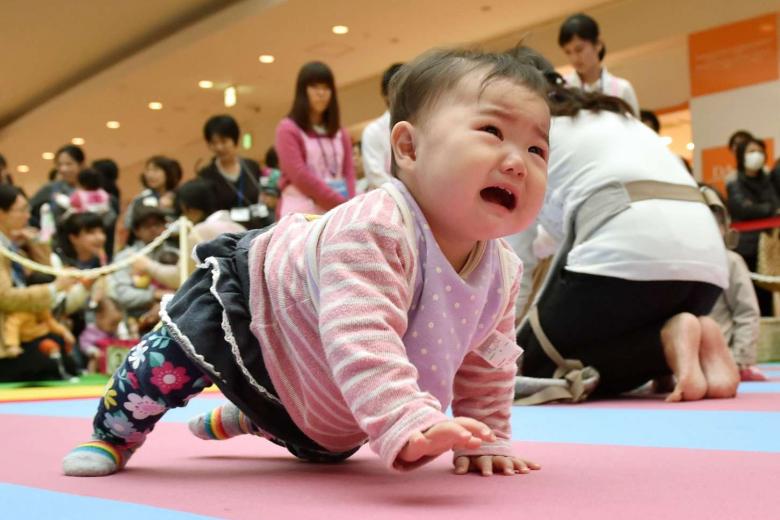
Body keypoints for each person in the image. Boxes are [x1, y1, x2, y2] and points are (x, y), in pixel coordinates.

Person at [62, 47, 551, 478]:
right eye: (491, 131)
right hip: (256, 306)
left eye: (536, 149)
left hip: (323, 387)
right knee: (169, 362)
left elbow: (487, 363)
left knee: (332, 441)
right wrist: (409, 417)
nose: (517, 162)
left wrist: (487, 437)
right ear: (408, 147)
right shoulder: (378, 228)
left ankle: (254, 416)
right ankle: (114, 434)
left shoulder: (503, 270)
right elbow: (361, 337)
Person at [513, 49, 737, 403]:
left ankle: (662, 348)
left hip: (629, 261)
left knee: (538, 368)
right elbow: (557, 235)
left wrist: (505, 347)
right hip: (707, 271)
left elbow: (518, 263)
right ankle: (693, 339)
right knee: (602, 328)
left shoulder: (526, 132)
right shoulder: (611, 115)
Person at [0, 185, 77, 381]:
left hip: (28, 328)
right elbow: (5, 298)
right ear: (2, 213)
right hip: (8, 339)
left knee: (64, 352)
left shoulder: (13, 246)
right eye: (22, 210)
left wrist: (35, 242)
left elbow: (44, 273)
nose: (28, 216)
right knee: (50, 364)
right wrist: (55, 288)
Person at [701, 186, 767, 382]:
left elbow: (746, 312)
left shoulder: (730, 262)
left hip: (721, 356)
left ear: (723, 226)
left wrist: (740, 359)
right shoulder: (678, 265)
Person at [132, 178, 247, 290]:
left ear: (190, 209)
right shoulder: (239, 227)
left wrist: (147, 265)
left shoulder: (200, 232)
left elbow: (180, 278)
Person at [275, 61, 356, 216]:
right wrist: (340, 203)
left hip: (340, 210)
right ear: (302, 91)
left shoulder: (341, 132)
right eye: (315, 87)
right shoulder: (288, 128)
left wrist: (350, 204)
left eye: (326, 88)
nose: (321, 93)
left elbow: (349, 172)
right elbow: (299, 175)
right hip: (301, 213)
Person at [725, 136, 778, 316]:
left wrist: (765, 209)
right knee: (746, 298)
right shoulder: (734, 182)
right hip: (745, 246)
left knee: (767, 297)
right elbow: (742, 209)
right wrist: (768, 209)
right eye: (751, 151)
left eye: (760, 151)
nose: (756, 155)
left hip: (768, 247)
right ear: (741, 156)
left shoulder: (770, 180)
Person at [558, 13, 639, 116]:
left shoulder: (621, 88)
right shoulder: (563, 89)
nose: (574, 58)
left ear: (598, 44)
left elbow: (635, 129)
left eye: (579, 50)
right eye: (568, 52)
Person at [197, 115, 266, 229]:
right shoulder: (206, 174)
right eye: (213, 143)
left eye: (224, 141)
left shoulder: (251, 167)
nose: (219, 147)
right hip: (223, 234)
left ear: (235, 140)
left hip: (255, 229)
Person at [109, 207, 177, 318]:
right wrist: (154, 294)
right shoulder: (125, 257)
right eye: (147, 226)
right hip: (136, 317)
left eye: (157, 224)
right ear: (136, 231)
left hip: (173, 313)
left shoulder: (177, 254)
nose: (153, 229)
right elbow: (122, 295)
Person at [361, 63, 404, 191]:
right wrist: (406, 195)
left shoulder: (422, 124)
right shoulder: (373, 131)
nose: (404, 93)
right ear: (386, 94)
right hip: (390, 199)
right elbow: (375, 176)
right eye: (398, 87)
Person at [123, 156, 180, 243]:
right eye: (148, 170)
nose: (150, 175)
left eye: (156, 170)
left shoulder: (179, 197)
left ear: (168, 173)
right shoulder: (140, 199)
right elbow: (128, 223)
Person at [29, 145, 85, 227]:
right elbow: (28, 209)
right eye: (59, 165)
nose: (63, 169)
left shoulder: (90, 187)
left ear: (81, 165)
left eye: (69, 164)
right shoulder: (52, 187)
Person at [78, 297, 124, 374]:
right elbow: (84, 343)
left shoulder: (112, 334)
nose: (115, 327)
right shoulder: (92, 331)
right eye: (113, 324)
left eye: (117, 324)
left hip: (109, 367)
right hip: (92, 365)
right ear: (98, 317)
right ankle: (91, 375)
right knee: (94, 359)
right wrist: (93, 351)